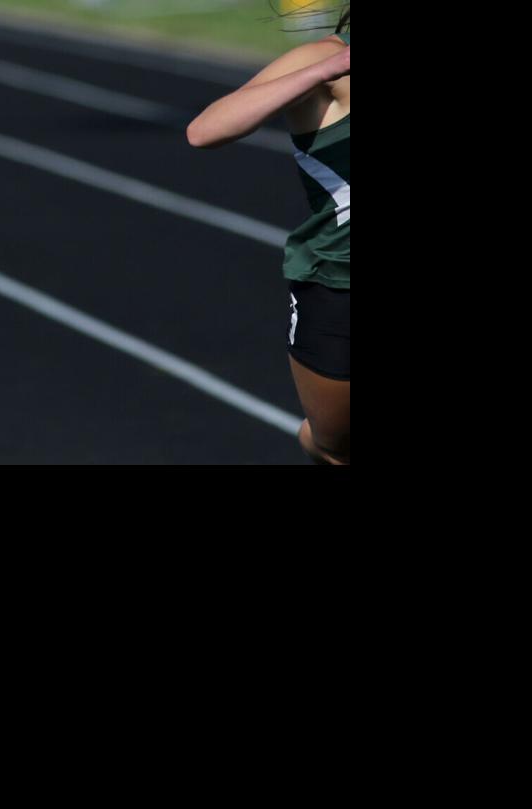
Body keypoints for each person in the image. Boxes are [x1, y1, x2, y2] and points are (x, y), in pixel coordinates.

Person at [187, 4, 349, 465]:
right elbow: (204, 131)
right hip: (338, 284)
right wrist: (324, 71)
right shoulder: (325, 60)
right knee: (336, 446)